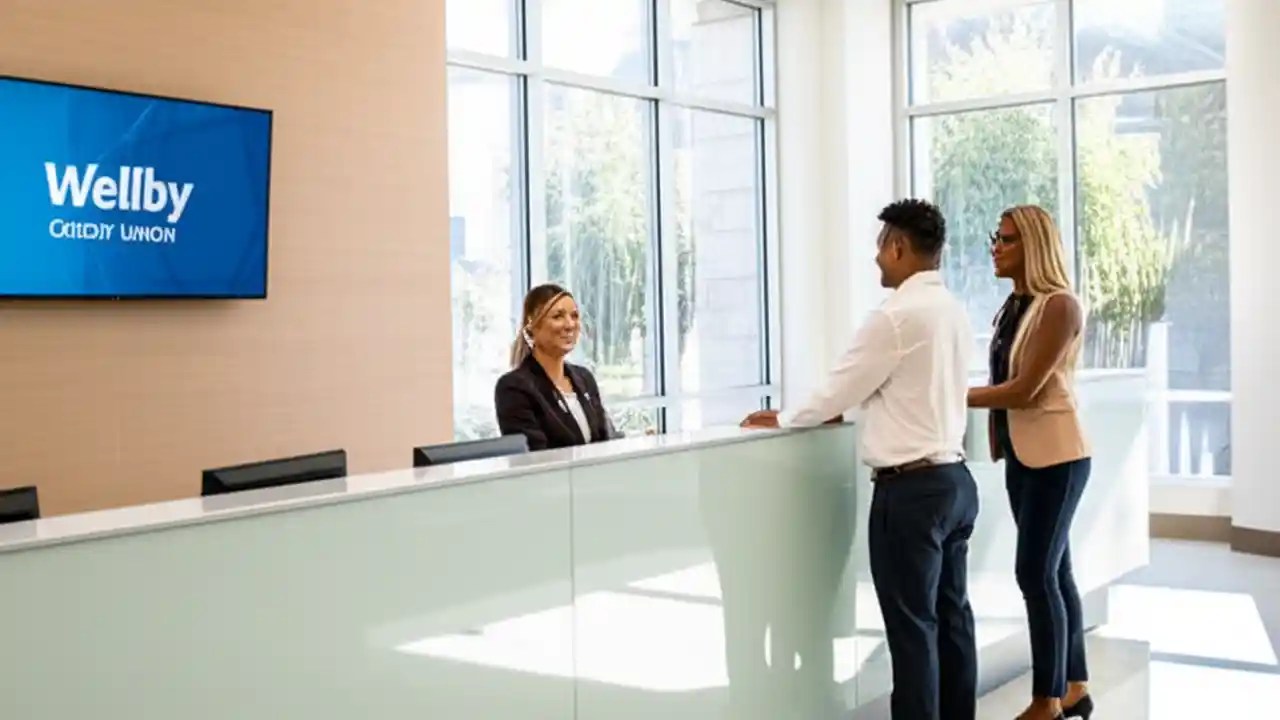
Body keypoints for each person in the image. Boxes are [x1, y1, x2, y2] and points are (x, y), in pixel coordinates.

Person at [742, 199, 978, 720]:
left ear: (898, 247)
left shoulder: (895, 316)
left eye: (879, 248)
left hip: (911, 492)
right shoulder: (954, 311)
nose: (875, 259)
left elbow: (838, 388)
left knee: (912, 631)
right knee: (953, 618)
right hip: (955, 481)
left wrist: (784, 418)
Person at [968, 205, 1092, 720]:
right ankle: (1075, 688)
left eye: (1010, 239)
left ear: (1035, 245)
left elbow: (1022, 391)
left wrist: (948, 395)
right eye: (996, 237)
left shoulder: (1059, 306)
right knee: (1056, 572)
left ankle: (1046, 702)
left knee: (1034, 574)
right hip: (1023, 455)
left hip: (1058, 457)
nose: (997, 246)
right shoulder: (1013, 307)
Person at [495, 284, 618, 450]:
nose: (569, 325)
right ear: (532, 326)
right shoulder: (514, 388)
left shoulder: (584, 378)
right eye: (558, 316)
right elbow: (534, 456)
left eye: (574, 316)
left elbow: (605, 440)